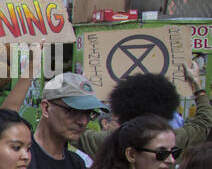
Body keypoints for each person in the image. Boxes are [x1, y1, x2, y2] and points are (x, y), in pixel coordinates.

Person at [75, 63, 210, 160]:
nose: (169, 159)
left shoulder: (110, 141)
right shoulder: (173, 139)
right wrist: (197, 88)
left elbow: (71, 130)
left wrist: (81, 90)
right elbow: (204, 123)